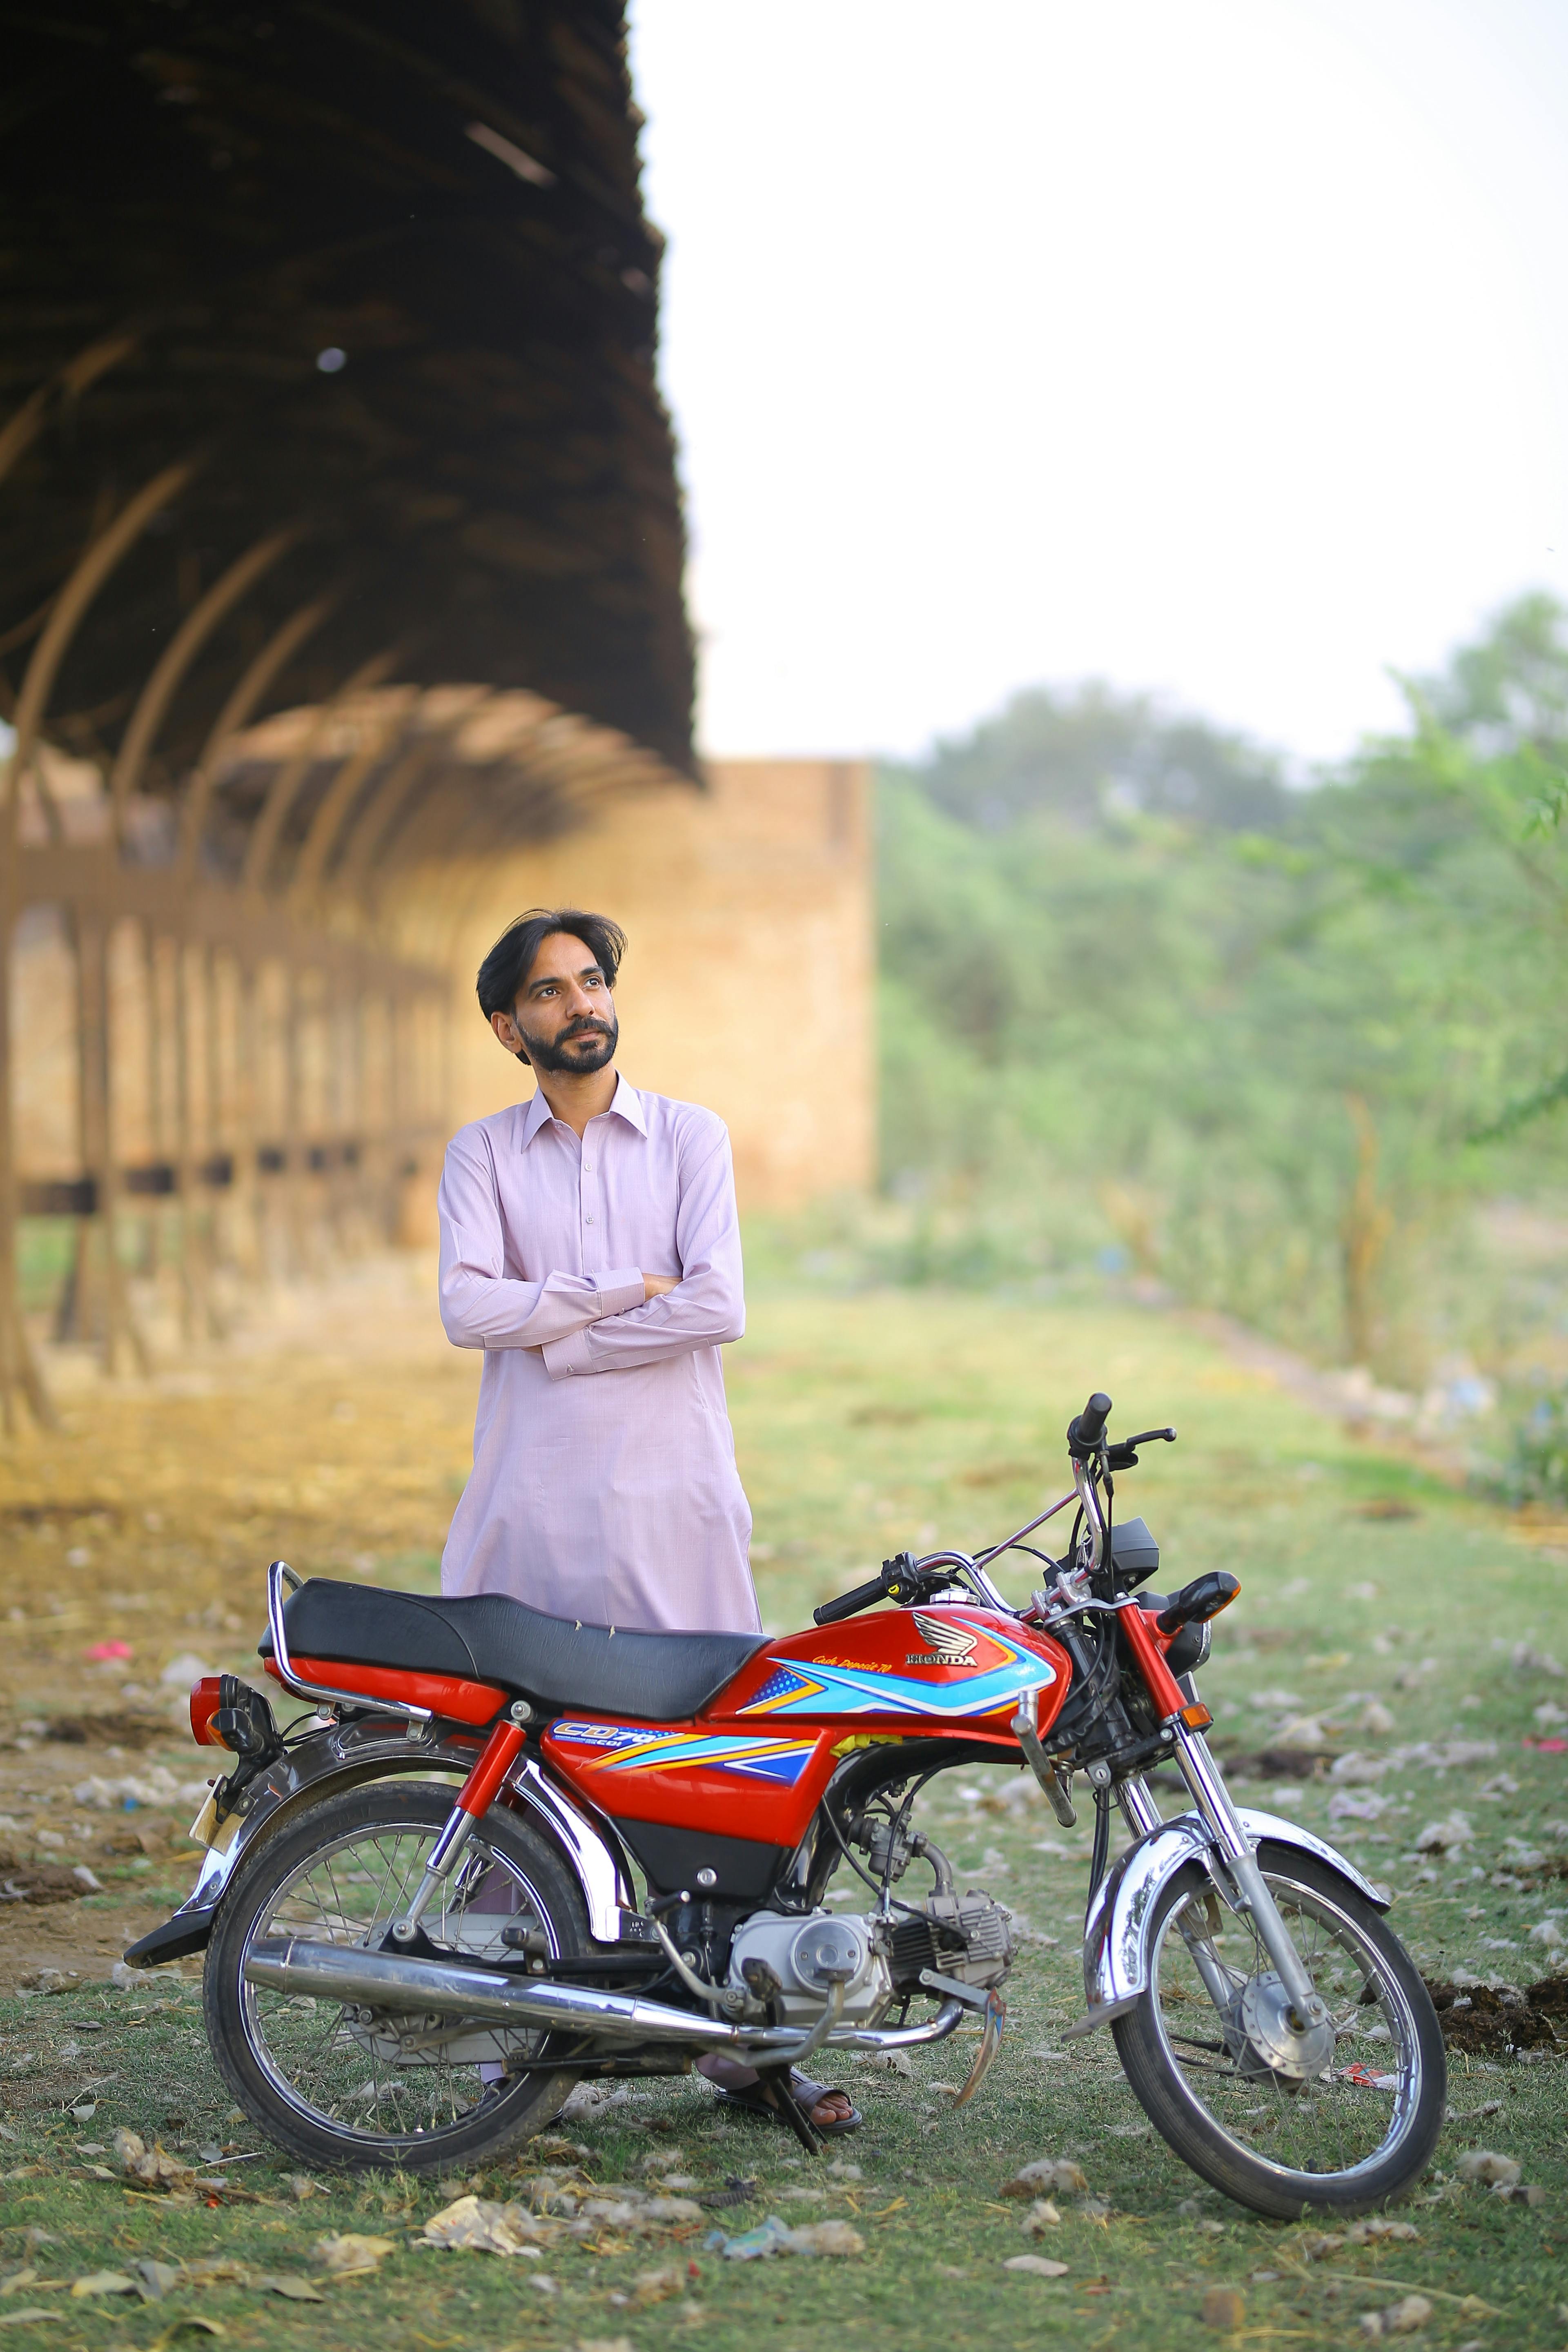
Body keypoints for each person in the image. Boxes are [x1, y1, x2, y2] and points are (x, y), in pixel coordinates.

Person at [438, 908, 857, 2136]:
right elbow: (468, 1308)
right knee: (512, 1757)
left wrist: (560, 1341)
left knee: (725, 1756)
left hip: (672, 1495)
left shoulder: (690, 1136)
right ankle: (502, 2039)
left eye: (592, 981)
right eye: (552, 991)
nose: (582, 1004)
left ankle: (748, 2041)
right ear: (509, 1026)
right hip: (530, 1499)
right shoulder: (482, 1155)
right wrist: (621, 1294)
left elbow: (719, 1302)